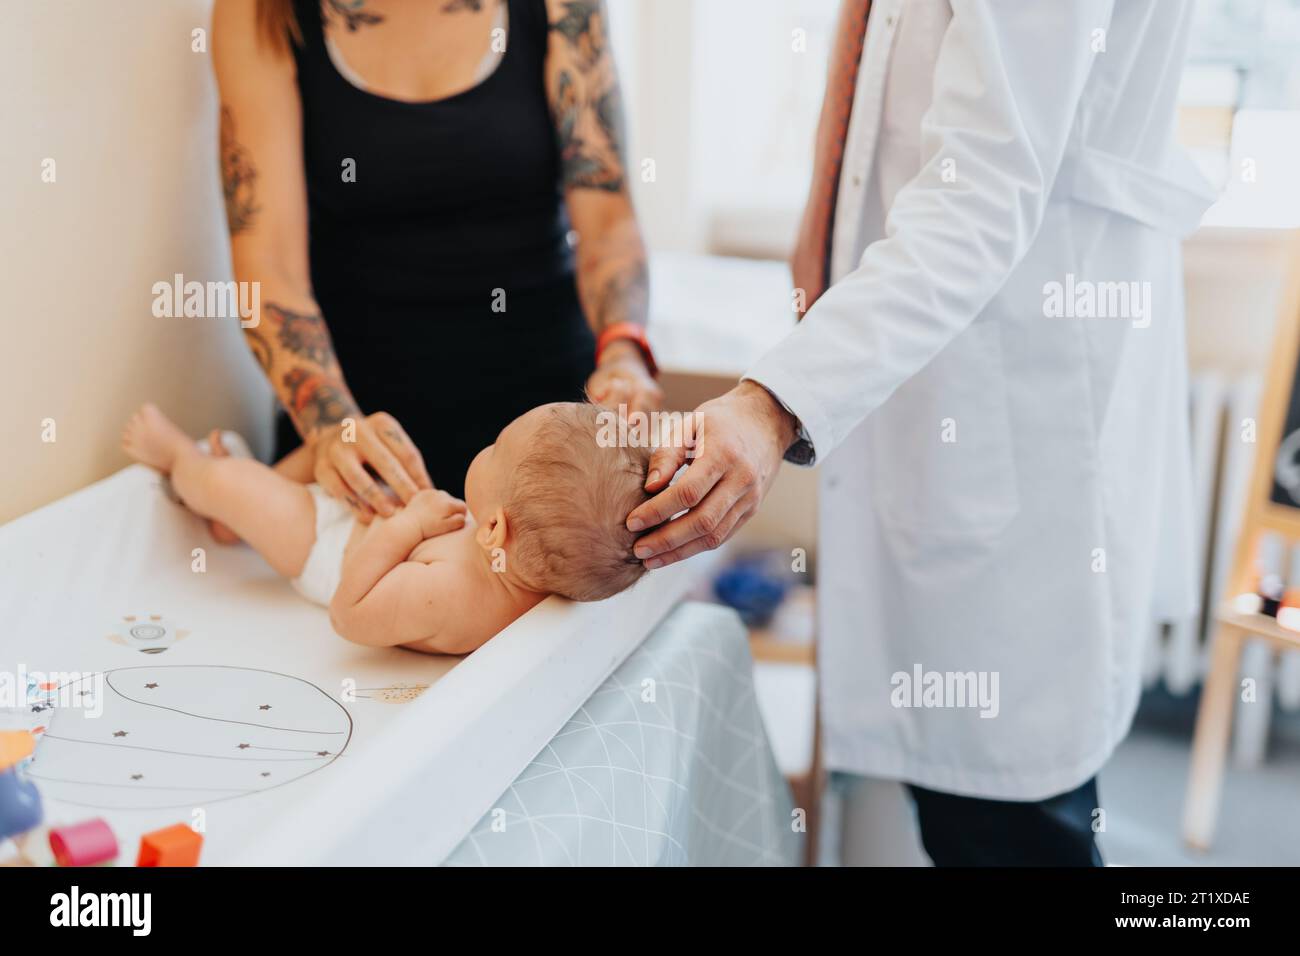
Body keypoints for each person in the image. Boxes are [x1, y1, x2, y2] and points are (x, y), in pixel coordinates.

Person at [626, 0, 1216, 865]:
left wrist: (772, 402)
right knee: (954, 800)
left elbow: (979, 193)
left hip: (1022, 408)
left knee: (1007, 819)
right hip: (936, 392)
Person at [212, 0, 661, 524]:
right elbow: (270, 268)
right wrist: (334, 427)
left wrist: (624, 351)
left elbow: (608, 223)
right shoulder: (260, 11)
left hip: (546, 434)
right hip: (360, 437)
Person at [122, 401, 653, 655]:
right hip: (374, 526)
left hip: (325, 548)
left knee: (229, 483)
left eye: (495, 449)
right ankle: (233, 524)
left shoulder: (448, 596)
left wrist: (404, 527)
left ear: (494, 529)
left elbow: (350, 615)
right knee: (338, 446)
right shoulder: (529, 564)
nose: (484, 449)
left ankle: (178, 461)